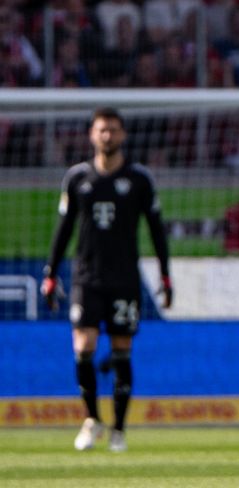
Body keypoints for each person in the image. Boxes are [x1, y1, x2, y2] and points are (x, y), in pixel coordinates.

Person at [41, 107, 173, 452]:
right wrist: (50, 274)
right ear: (91, 135)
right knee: (83, 347)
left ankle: (118, 429)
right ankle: (90, 421)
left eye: (113, 130)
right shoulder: (77, 178)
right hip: (86, 278)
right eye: (102, 130)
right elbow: (63, 229)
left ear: (123, 135)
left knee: (121, 351)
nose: (107, 136)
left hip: (125, 279)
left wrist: (165, 274)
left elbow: (157, 230)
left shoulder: (140, 179)